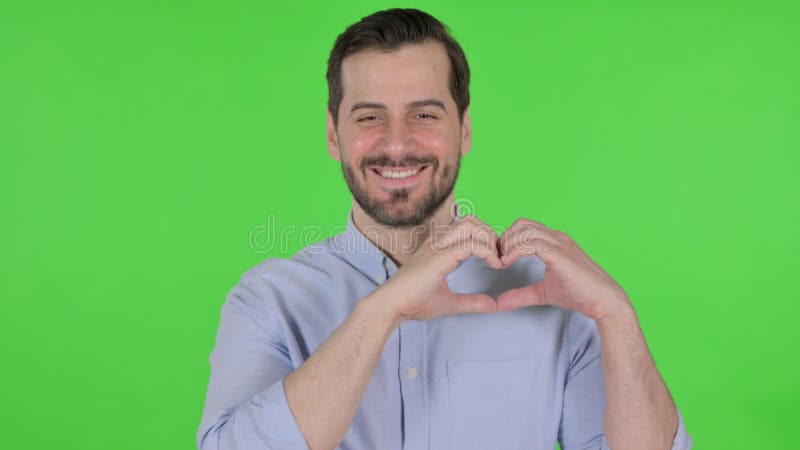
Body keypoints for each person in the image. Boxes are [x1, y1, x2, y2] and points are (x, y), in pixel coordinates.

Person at [197, 8, 692, 450]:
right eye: (370, 116)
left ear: (465, 129)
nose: (396, 143)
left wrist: (617, 317)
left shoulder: (548, 293)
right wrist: (385, 308)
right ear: (333, 134)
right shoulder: (268, 300)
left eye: (424, 114)